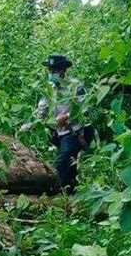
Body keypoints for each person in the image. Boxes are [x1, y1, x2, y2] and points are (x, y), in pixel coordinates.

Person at [20, 53, 90, 193]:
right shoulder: (49, 88)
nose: (52, 73)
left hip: (75, 132)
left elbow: (86, 109)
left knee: (62, 159)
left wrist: (68, 116)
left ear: (64, 70)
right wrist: (27, 126)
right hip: (58, 134)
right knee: (69, 166)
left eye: (56, 70)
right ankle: (68, 192)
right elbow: (41, 113)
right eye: (50, 70)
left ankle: (46, 186)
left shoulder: (76, 86)